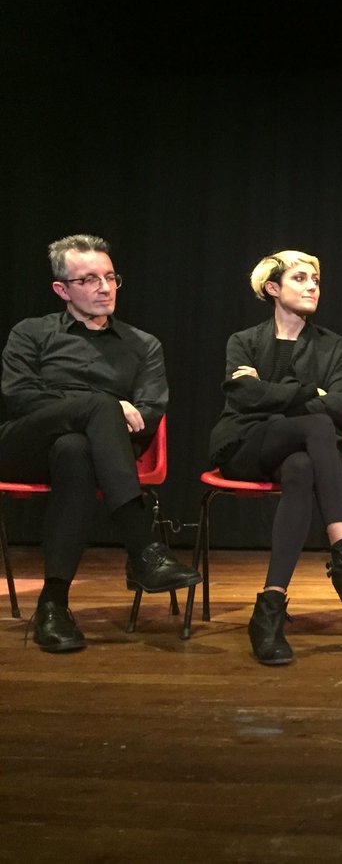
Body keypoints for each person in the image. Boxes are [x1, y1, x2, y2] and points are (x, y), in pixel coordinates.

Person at [0, 234, 200, 652]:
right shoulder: (32, 332)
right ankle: (142, 548)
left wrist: (96, 414)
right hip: (24, 446)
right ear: (62, 289)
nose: (105, 288)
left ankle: (53, 605)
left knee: (74, 450)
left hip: (92, 454)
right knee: (99, 407)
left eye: (110, 277)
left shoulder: (143, 345)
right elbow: (19, 397)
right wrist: (101, 406)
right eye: (89, 279)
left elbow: (147, 415)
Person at [209, 250, 342, 665]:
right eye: (300, 279)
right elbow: (243, 399)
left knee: (303, 464)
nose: (312, 287)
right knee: (317, 425)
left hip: (301, 453)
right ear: (273, 288)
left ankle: (269, 607)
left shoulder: (333, 346)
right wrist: (308, 392)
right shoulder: (244, 341)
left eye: (316, 281)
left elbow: (341, 407)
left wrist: (268, 393)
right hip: (246, 445)